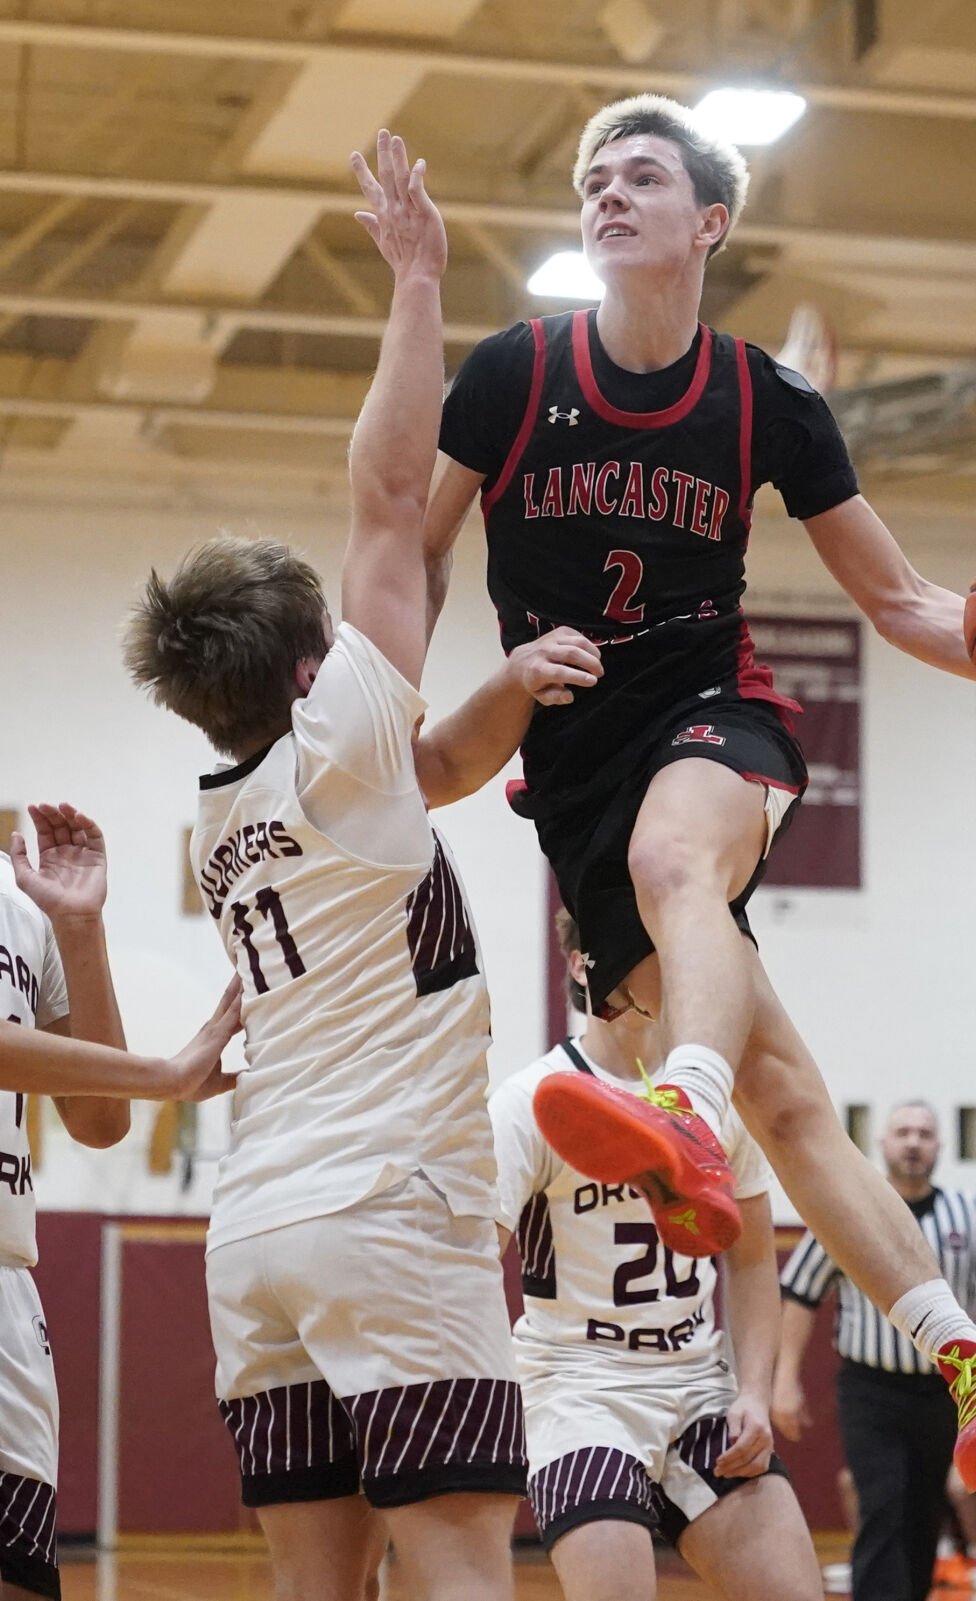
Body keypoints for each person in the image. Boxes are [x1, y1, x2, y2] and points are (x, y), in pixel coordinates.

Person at [422, 90, 976, 1490]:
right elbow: (411, 548)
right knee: (796, 1108)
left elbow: (906, 598)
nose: (605, 193)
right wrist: (408, 701)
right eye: (591, 179)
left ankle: (681, 1102)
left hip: (712, 717)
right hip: (569, 777)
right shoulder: (509, 375)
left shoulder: (766, 401)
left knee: (680, 863)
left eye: (638, 175)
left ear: (710, 222)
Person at [122, 131, 603, 1601]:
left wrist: (512, 679)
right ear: (316, 663)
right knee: (458, 1556)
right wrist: (414, 281)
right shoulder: (337, 741)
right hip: (391, 1210)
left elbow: (437, 771)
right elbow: (393, 501)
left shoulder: (228, 814)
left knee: (309, 1582)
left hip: (256, 1228)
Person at [489, 910, 822, 1601]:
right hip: (581, 1389)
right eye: (645, 951)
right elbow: (469, 1264)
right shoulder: (527, 1102)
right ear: (585, 965)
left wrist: (754, 1390)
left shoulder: (711, 1101)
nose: (668, 967)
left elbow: (754, 1258)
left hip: (697, 1383)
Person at [772, 1099, 976, 1601]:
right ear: (883, 1145)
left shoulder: (968, 1212)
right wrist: (784, 1380)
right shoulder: (846, 1208)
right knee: (883, 1503)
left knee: (925, 1511)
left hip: (946, 1390)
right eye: (903, 1132)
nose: (913, 1141)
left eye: (925, 1133)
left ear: (939, 1146)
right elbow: (800, 1292)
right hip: (872, 1388)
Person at [1, 805, 139, 1600]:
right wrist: (168, 1073)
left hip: (7, 1284)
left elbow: (97, 1117)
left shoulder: (21, 899)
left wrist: (78, 927)